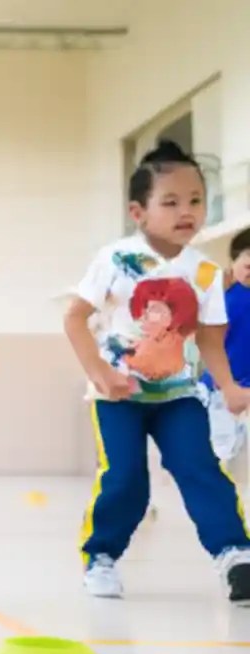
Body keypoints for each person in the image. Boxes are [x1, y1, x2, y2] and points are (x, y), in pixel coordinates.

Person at [66, 140, 250, 602]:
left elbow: (209, 338)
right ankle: (101, 556)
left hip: (178, 395)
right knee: (126, 477)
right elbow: (74, 318)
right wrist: (100, 374)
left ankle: (234, 554)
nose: (186, 211)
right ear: (138, 211)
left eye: (195, 201)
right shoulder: (114, 259)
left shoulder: (205, 271)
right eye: (170, 202)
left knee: (200, 468)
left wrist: (228, 385)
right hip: (118, 394)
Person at [200, 227, 250, 462]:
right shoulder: (223, 299)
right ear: (234, 263)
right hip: (220, 391)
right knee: (219, 455)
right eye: (248, 266)